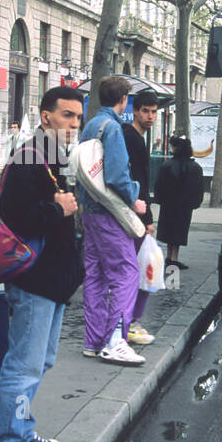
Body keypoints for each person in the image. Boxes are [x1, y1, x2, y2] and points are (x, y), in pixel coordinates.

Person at [0, 86, 84, 442]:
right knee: (24, 364)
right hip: (34, 280)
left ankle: (22, 428)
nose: (74, 124)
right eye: (66, 115)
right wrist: (56, 207)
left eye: (78, 117)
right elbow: (18, 218)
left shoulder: (55, 156)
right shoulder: (30, 157)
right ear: (46, 117)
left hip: (54, 280)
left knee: (40, 361)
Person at [77, 76, 147, 365]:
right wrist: (134, 198)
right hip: (109, 211)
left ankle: (93, 341)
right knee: (126, 273)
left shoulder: (91, 126)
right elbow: (117, 175)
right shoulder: (114, 128)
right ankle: (116, 340)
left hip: (89, 210)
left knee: (95, 275)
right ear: (123, 100)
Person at [121, 90, 158, 346]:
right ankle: (130, 322)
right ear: (135, 110)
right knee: (139, 271)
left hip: (132, 211)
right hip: (135, 213)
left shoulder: (134, 137)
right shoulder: (132, 138)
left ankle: (128, 321)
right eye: (145, 111)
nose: (150, 116)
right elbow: (139, 182)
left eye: (154, 112)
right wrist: (148, 219)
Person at [156, 134, 205, 269]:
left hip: (168, 204)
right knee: (179, 231)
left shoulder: (167, 165)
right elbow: (198, 189)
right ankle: (174, 258)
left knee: (168, 230)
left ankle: (169, 257)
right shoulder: (195, 167)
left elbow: (159, 186)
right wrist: (195, 203)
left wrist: (159, 200)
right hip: (184, 206)